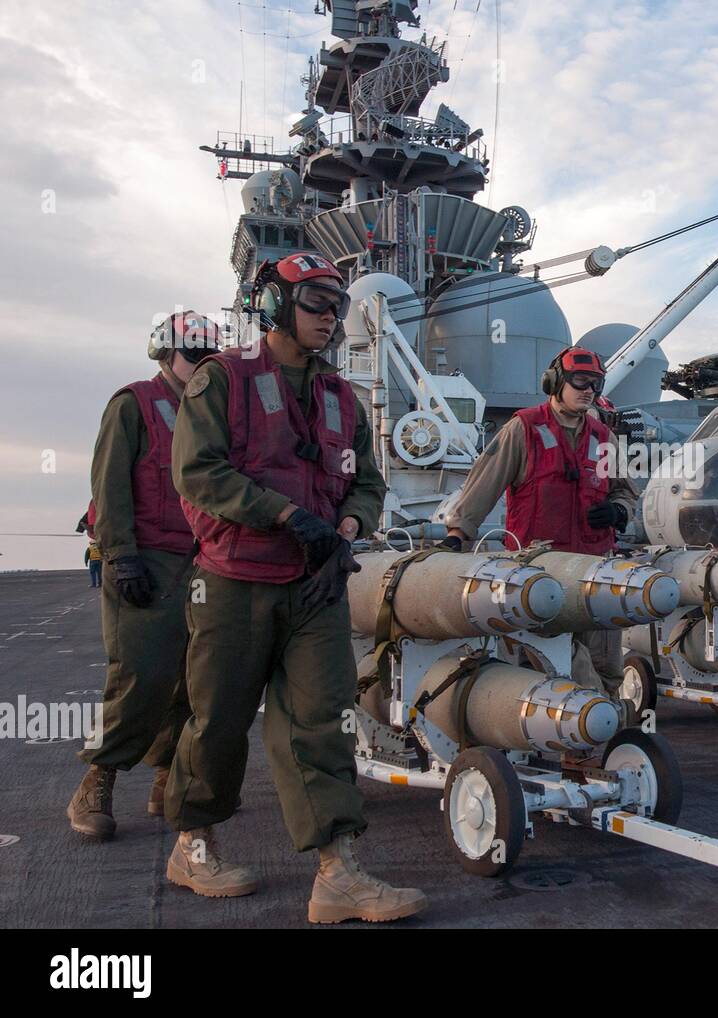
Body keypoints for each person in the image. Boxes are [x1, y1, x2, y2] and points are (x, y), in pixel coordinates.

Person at [169, 252, 426, 924]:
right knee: (217, 719)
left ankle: (338, 871)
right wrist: (288, 517)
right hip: (235, 582)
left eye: (337, 306)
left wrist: (344, 528)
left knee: (323, 723)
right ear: (275, 305)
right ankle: (194, 844)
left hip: (316, 585)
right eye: (315, 303)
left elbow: (368, 482)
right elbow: (200, 474)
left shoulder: (342, 398)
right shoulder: (221, 381)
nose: (331, 318)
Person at [66, 312, 219, 841]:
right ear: (164, 354)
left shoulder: (213, 411)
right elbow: (109, 483)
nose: (203, 365)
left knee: (193, 681)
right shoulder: (132, 404)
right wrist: (120, 555)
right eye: (194, 355)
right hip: (146, 559)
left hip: (204, 563)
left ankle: (165, 779)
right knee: (141, 675)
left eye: (210, 357)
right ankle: (97, 778)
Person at [442, 347, 638, 709]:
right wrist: (457, 535)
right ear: (555, 382)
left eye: (595, 384)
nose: (588, 390)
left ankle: (596, 751)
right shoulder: (525, 429)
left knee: (607, 667)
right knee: (571, 669)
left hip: (594, 572)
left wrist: (617, 511)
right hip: (543, 574)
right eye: (580, 381)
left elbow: (626, 493)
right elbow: (483, 485)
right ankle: (590, 733)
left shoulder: (602, 437)